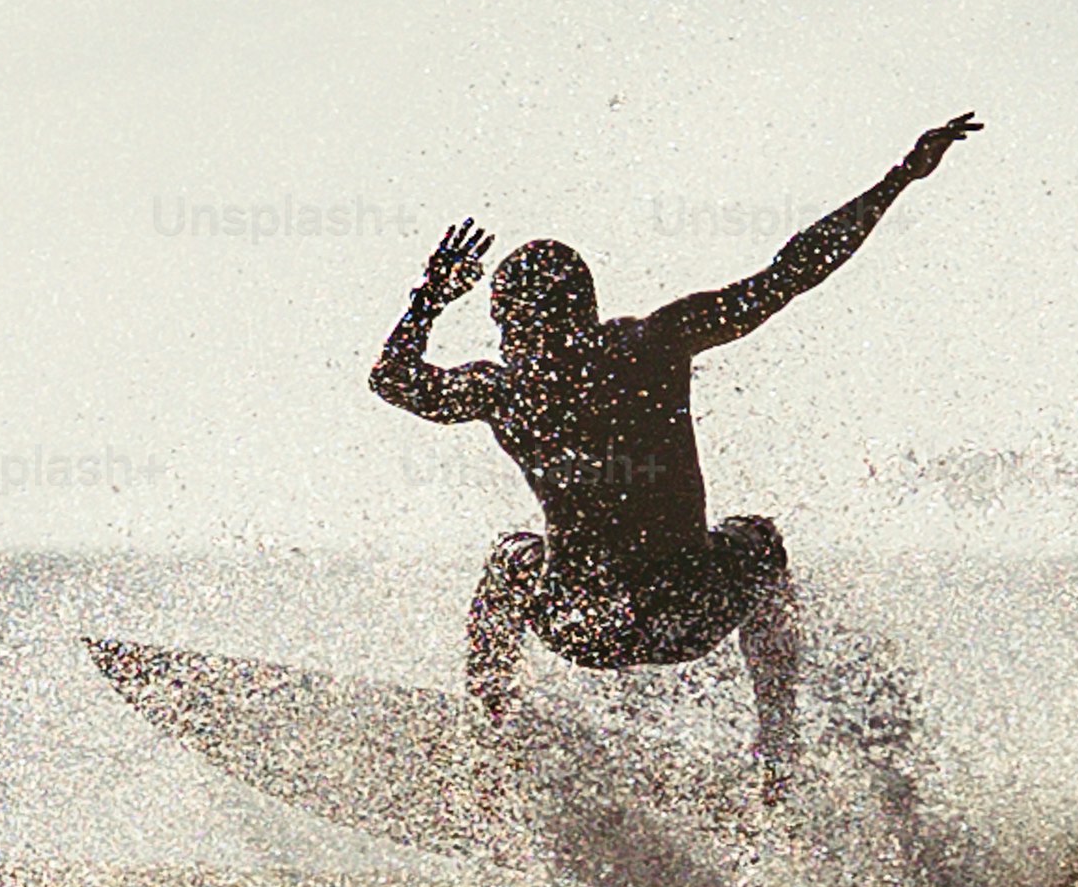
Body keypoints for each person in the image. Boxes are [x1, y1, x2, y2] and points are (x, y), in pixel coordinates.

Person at [370, 113, 978, 782]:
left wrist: (428, 301)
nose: (506, 336)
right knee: (757, 538)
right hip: (688, 615)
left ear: (545, 317)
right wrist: (900, 177)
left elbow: (393, 378)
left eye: (508, 320)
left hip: (589, 625)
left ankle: (493, 737)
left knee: (514, 557)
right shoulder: (651, 346)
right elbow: (790, 274)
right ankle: (776, 742)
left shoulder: (510, 389)